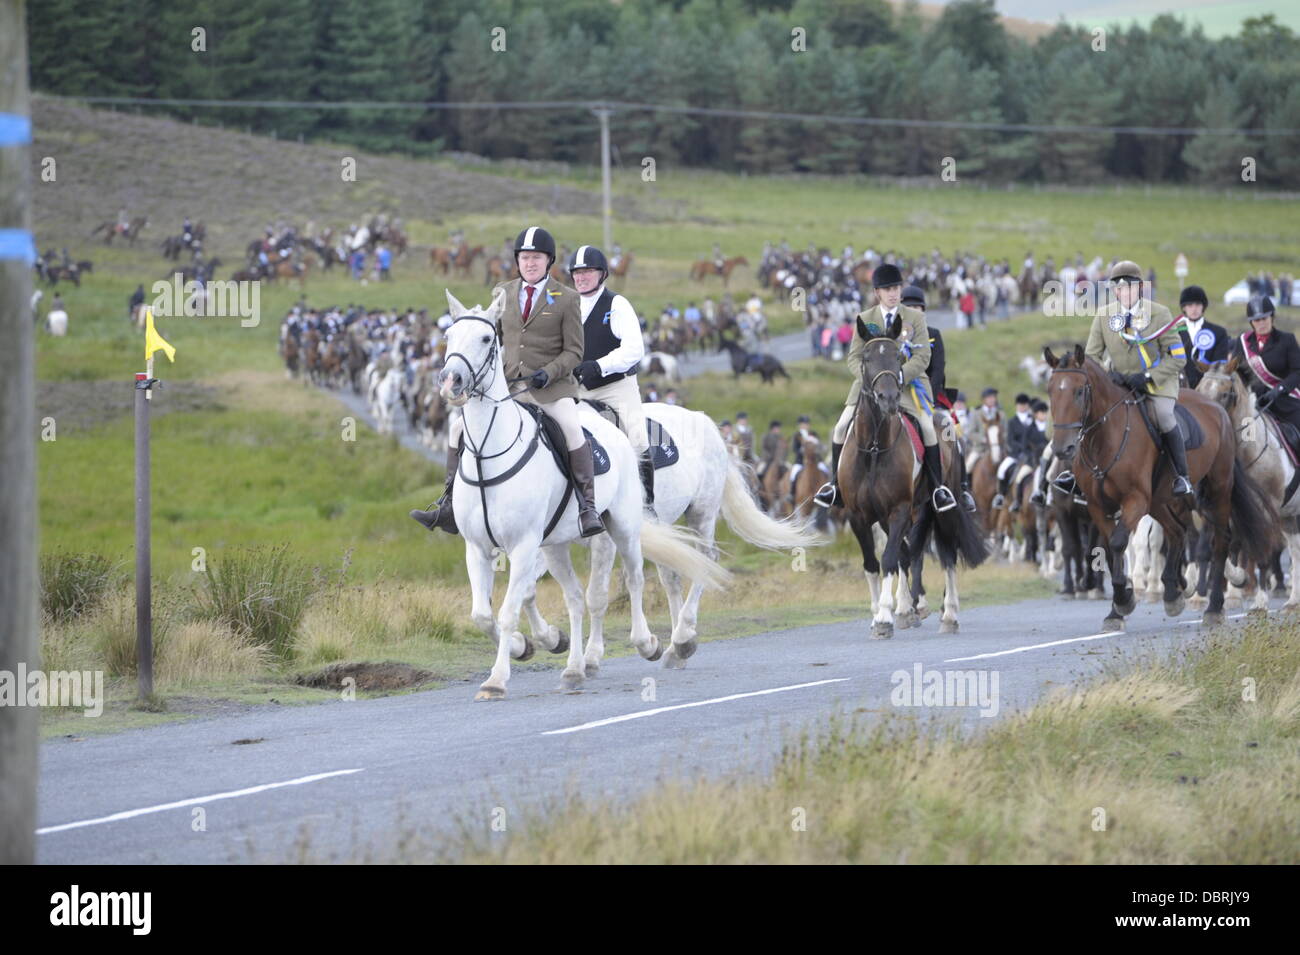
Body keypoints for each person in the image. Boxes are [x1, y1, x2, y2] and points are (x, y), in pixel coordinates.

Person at [410, 225, 603, 537]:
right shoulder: (502, 292)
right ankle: (448, 503)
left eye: (536, 258)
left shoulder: (566, 298)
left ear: (549, 261)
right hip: (510, 388)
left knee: (571, 428)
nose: (530, 263)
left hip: (552, 389)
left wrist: (549, 372)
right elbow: (491, 340)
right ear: (517, 260)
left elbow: (574, 352)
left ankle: (587, 507)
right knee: (459, 427)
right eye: (525, 258)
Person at [815, 263, 957, 512]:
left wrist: (899, 375)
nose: (893, 293)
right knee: (839, 428)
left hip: (910, 387)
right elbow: (853, 358)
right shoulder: (865, 319)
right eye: (887, 289)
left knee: (928, 427)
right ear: (877, 292)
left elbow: (922, 358)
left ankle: (937, 489)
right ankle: (835, 487)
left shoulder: (916, 318)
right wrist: (871, 379)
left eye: (896, 288)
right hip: (869, 388)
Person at [1074, 259, 1191, 496]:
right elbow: (1091, 357)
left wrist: (1149, 376)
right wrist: (1107, 375)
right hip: (1117, 386)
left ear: (1139, 288)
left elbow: (1178, 357)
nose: (1123, 292)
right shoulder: (1104, 315)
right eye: (1118, 288)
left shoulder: (1159, 313)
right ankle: (1076, 476)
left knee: (1165, 416)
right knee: (1084, 416)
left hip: (1155, 386)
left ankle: (1181, 476)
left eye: (1128, 287)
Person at [569, 245, 653, 507]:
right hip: (577, 388)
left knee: (638, 440)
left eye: (588, 272)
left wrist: (599, 365)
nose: (581, 277)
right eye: (577, 273)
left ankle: (648, 505)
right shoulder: (567, 305)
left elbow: (634, 349)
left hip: (615, 387)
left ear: (602, 274)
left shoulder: (617, 304)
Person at [900, 284, 976, 511]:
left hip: (930, 397)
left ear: (923, 310)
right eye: (909, 306)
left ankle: (959, 489)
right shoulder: (894, 336)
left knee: (953, 436)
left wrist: (927, 398)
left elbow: (938, 370)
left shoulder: (933, 335)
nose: (914, 310)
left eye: (917, 306)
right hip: (899, 397)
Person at [1229, 295, 1300, 448]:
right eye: (1257, 320)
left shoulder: (1287, 340)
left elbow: (1297, 372)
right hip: (1254, 403)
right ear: (1251, 322)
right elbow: (1235, 372)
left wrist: (1280, 389)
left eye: (1264, 318)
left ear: (1272, 317)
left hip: (1283, 399)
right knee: (1244, 444)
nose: (1261, 323)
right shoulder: (1242, 342)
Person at [1176, 285, 1229, 389]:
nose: (1194, 309)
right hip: (1180, 388)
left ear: (1203, 307)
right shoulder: (1174, 333)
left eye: (1197, 304)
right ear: (1184, 308)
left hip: (1208, 388)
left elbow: (1219, 365)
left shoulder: (1218, 333)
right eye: (1190, 305)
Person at [993, 393, 1033, 509]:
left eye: (1024, 405)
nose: (1022, 407)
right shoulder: (1012, 422)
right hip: (1016, 454)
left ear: (1028, 406)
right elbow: (1010, 440)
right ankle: (1000, 495)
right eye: (1020, 405)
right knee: (1002, 469)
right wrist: (1021, 448)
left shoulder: (1032, 420)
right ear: (1017, 406)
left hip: (1030, 454)